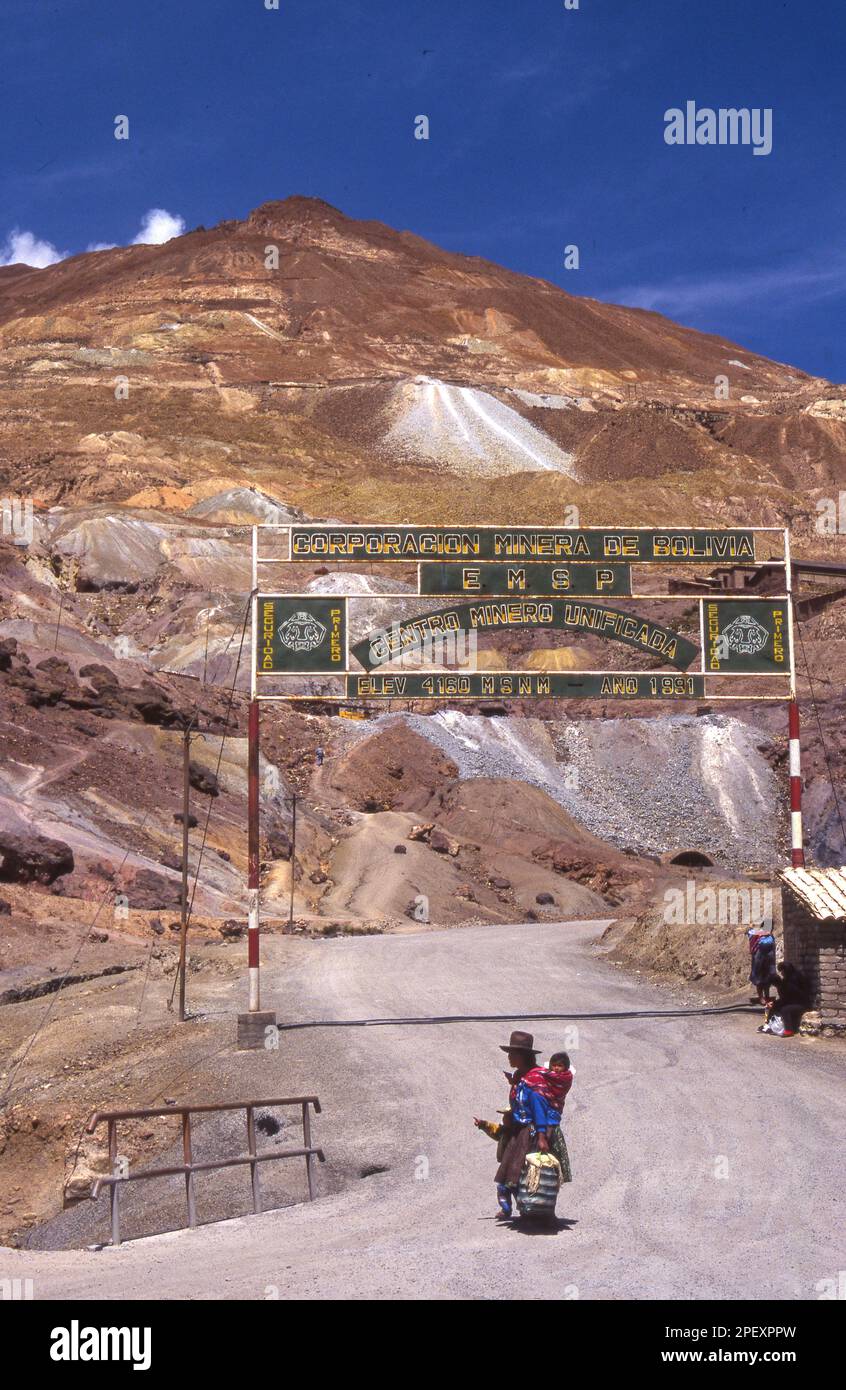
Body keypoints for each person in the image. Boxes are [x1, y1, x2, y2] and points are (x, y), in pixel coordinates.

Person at [474, 1032, 573, 1219]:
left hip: (536, 1131)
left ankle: (540, 1212)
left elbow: (538, 1107)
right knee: (514, 1172)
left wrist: (542, 1136)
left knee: (533, 1172)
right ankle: (519, 1208)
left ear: (523, 1056)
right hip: (522, 1131)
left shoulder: (535, 1079)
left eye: (513, 1054)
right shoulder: (522, 1076)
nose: (509, 1057)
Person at [766, 962, 811, 1037]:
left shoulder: (793, 981)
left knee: (785, 1010)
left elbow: (788, 998)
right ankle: (770, 1024)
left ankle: (789, 1030)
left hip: (802, 1004)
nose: (782, 973)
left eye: (782, 971)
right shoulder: (789, 979)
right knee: (777, 1006)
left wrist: (775, 1003)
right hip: (795, 1002)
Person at [748, 924, 777, 1005]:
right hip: (759, 961)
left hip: (768, 961)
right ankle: (761, 997)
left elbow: (773, 948)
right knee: (759, 980)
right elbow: (750, 933)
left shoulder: (770, 936)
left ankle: (767, 997)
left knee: (767, 980)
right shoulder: (757, 934)